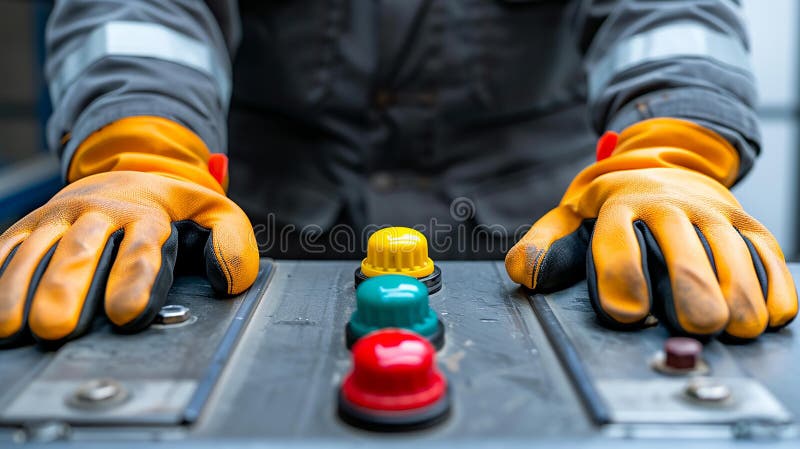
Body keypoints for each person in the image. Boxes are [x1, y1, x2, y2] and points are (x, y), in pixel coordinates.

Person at [0, 0, 796, 346]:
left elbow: (668, 14)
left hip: (538, 256)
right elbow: (146, 14)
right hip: (259, 248)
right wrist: (138, 149)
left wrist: (675, 152)